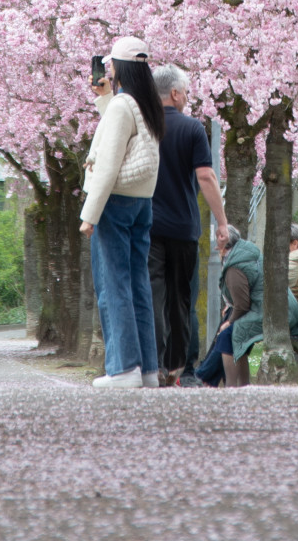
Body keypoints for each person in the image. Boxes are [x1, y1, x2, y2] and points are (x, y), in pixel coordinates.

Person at [80, 34, 165, 388]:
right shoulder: (145, 102)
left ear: (122, 66)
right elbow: (121, 136)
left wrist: (90, 214)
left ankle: (122, 368)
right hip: (141, 202)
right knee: (137, 284)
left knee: (112, 284)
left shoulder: (121, 106)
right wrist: (105, 99)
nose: (106, 67)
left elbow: (108, 164)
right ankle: (146, 369)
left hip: (113, 203)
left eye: (110, 62)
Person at [147, 65, 234, 386]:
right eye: (185, 91)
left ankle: (151, 363)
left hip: (148, 226)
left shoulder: (143, 127)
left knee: (153, 294)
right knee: (180, 298)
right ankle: (175, 369)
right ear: (174, 94)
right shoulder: (193, 129)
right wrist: (221, 223)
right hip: (183, 228)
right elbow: (206, 176)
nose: (187, 97)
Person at [194, 232, 298, 386]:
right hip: (280, 307)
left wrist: (230, 321)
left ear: (223, 248)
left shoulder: (234, 267)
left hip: (273, 312)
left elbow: (242, 305)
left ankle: (231, 385)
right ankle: (229, 381)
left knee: (227, 334)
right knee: (232, 331)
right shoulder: (246, 253)